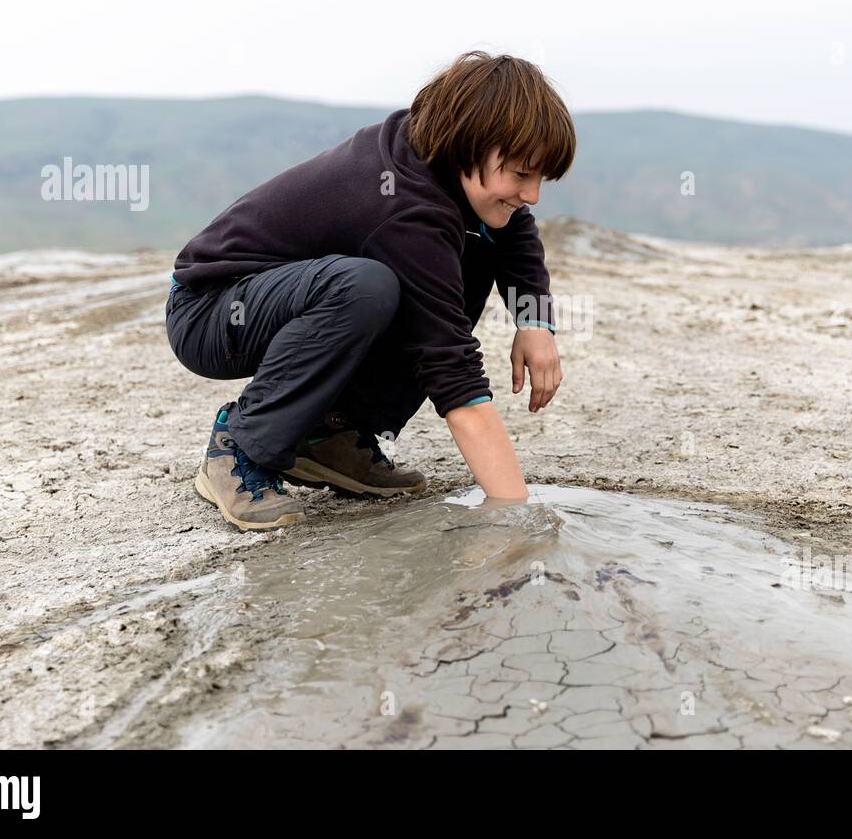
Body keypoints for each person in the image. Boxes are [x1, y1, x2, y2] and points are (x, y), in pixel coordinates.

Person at [165, 51, 576, 530]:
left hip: (283, 297)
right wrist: (515, 515)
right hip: (210, 308)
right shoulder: (405, 206)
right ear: (469, 146)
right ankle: (240, 445)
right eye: (521, 174)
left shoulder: (437, 151)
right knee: (365, 286)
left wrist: (535, 322)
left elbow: (514, 230)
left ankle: (332, 437)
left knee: (466, 251)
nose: (532, 195)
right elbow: (450, 368)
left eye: (540, 177)